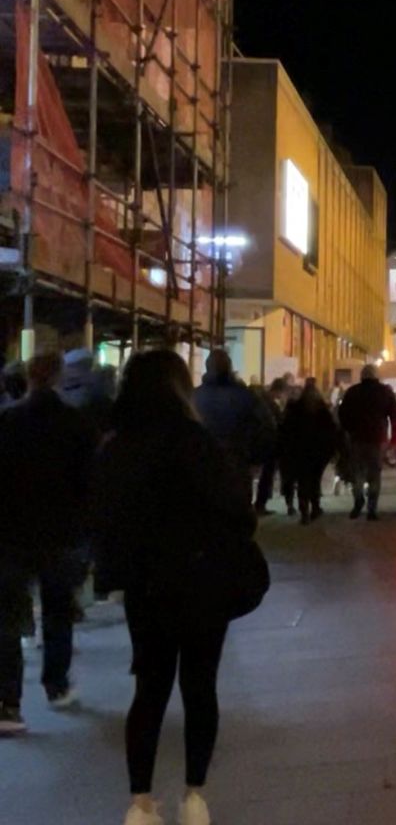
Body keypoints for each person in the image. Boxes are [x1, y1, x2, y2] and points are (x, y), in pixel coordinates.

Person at [94, 350, 256, 825]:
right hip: (202, 579)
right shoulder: (197, 442)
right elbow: (236, 511)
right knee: (200, 686)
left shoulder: (117, 446)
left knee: (150, 689)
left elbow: (103, 519)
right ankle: (194, 795)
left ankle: (140, 802)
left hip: (146, 584)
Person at [0, 353, 96, 733]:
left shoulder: (6, 421)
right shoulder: (76, 424)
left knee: (7, 618)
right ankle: (55, 685)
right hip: (62, 535)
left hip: (10, 535)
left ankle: (8, 704)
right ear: (58, 377)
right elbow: (90, 484)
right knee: (58, 612)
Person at [191, 350, 274, 498]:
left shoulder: (193, 397)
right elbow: (266, 427)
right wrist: (256, 458)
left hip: (201, 469)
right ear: (229, 368)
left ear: (207, 367)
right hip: (236, 465)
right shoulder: (246, 397)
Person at [336, 365, 396, 521]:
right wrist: (395, 438)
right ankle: (372, 508)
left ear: (362, 376)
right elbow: (395, 416)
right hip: (377, 439)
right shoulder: (385, 392)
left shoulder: (352, 392)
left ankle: (358, 498)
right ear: (376, 376)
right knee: (374, 473)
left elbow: (342, 414)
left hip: (357, 438)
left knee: (357, 472)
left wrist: (349, 430)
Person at [279, 383, 340, 524]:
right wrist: (332, 450)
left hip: (300, 451)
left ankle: (304, 510)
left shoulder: (296, 409)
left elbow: (286, 430)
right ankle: (315, 507)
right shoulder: (322, 409)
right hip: (318, 451)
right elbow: (331, 430)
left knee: (303, 480)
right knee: (315, 480)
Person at [252, 378, 292, 515]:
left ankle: (259, 504)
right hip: (268, 442)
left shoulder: (262, 400)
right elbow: (278, 421)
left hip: (262, 441)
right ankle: (260, 504)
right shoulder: (269, 403)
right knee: (267, 474)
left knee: (262, 474)